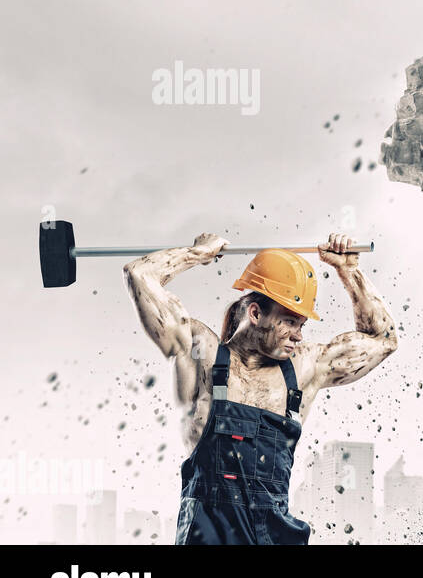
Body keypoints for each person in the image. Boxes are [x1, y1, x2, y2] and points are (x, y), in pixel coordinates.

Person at [122, 232, 398, 544]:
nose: (298, 336)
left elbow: (384, 339)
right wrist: (197, 254)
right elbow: (139, 274)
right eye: (289, 322)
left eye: (302, 325)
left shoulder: (305, 369)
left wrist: (349, 272)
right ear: (255, 313)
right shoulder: (201, 353)